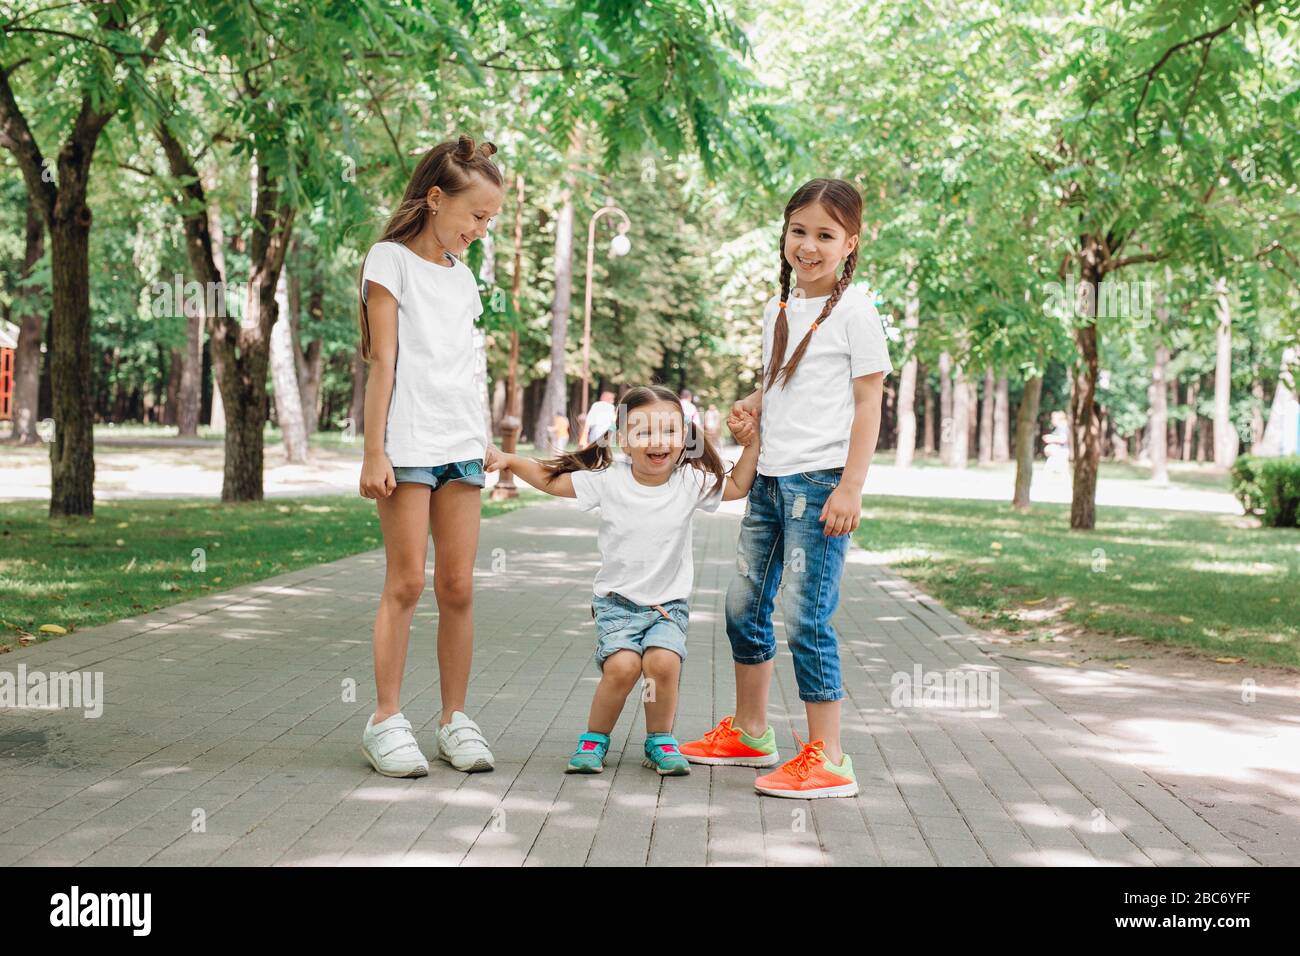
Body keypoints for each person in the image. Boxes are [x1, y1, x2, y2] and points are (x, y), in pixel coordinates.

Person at [679, 178, 893, 799]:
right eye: (799, 231)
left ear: (850, 243)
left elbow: (868, 404)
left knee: (805, 617)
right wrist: (753, 403)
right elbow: (785, 381)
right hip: (771, 482)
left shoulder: (857, 311)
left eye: (825, 235)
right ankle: (751, 733)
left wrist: (851, 487)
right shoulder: (782, 308)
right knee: (743, 607)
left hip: (820, 484)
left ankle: (830, 758)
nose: (808, 245)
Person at [485, 386, 760, 776]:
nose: (657, 441)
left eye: (669, 430)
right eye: (643, 432)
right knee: (624, 667)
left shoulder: (688, 481)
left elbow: (736, 487)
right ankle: (594, 739)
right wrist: (511, 459)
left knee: (662, 663)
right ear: (623, 441)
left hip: (667, 607)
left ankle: (659, 740)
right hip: (617, 606)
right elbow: (551, 480)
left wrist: (753, 445)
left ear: (685, 437)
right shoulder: (608, 480)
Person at [356, 134, 505, 777]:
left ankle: (454, 719)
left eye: (490, 220)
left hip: (461, 445)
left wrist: (483, 435)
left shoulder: (462, 276)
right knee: (407, 582)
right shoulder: (388, 260)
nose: (481, 230)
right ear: (436, 198)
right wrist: (374, 451)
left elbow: (465, 365)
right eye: (476, 216)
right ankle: (386, 719)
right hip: (409, 444)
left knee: (459, 586)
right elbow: (383, 362)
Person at [1044, 410, 1070, 475]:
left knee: (1051, 471)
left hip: (1061, 453)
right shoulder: (1059, 428)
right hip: (1058, 454)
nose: (1051, 420)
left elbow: (1063, 439)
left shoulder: (1063, 427)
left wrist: (1051, 438)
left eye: (1053, 418)